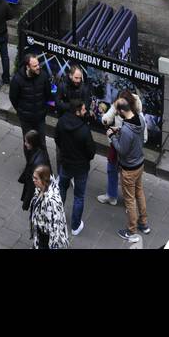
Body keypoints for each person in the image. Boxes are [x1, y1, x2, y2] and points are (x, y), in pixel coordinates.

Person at [109, 92, 151, 239]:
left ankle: (131, 230)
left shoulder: (127, 130)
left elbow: (122, 150)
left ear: (121, 111)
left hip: (129, 169)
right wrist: (119, 131)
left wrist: (112, 136)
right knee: (140, 193)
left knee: (129, 200)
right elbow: (133, 137)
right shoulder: (139, 118)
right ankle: (144, 223)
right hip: (140, 164)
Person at [55, 94, 96, 236]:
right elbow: (91, 152)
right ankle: (75, 226)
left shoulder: (61, 122)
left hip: (65, 164)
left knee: (61, 190)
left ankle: (57, 218)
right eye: (84, 109)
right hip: (80, 169)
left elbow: (57, 140)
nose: (85, 111)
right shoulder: (84, 131)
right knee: (79, 196)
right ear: (77, 111)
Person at [9, 50, 52, 146]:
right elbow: (13, 98)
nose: (38, 67)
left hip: (40, 117)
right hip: (26, 119)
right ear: (27, 67)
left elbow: (48, 95)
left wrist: (44, 109)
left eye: (38, 64)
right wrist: (21, 111)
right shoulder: (17, 80)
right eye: (35, 66)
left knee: (42, 143)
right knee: (29, 144)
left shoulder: (43, 76)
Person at [29, 165, 69, 250]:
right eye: (33, 177)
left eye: (36, 178)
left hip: (46, 238)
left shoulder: (52, 202)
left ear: (43, 180)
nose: (33, 180)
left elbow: (55, 227)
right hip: (40, 233)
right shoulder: (41, 189)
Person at [97, 94, 125, 206]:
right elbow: (108, 117)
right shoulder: (116, 106)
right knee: (111, 168)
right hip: (115, 144)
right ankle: (112, 196)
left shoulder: (137, 114)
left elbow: (144, 137)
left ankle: (130, 201)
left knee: (127, 176)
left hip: (127, 148)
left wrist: (118, 130)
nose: (116, 110)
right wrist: (105, 120)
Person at [18, 128, 51, 210]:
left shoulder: (37, 164)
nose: (25, 144)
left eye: (26, 142)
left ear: (32, 143)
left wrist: (26, 203)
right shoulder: (39, 152)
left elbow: (32, 186)